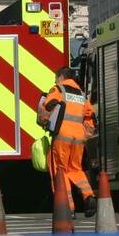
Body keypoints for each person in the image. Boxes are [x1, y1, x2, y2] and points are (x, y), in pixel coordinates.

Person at [38, 66, 97, 217]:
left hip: (62, 136)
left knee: (60, 171)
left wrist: (43, 121)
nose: (54, 81)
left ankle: (67, 207)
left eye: (56, 78)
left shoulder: (58, 90)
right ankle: (88, 195)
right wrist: (86, 135)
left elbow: (47, 106)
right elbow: (90, 117)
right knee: (75, 169)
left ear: (61, 78)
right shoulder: (82, 95)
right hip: (79, 138)